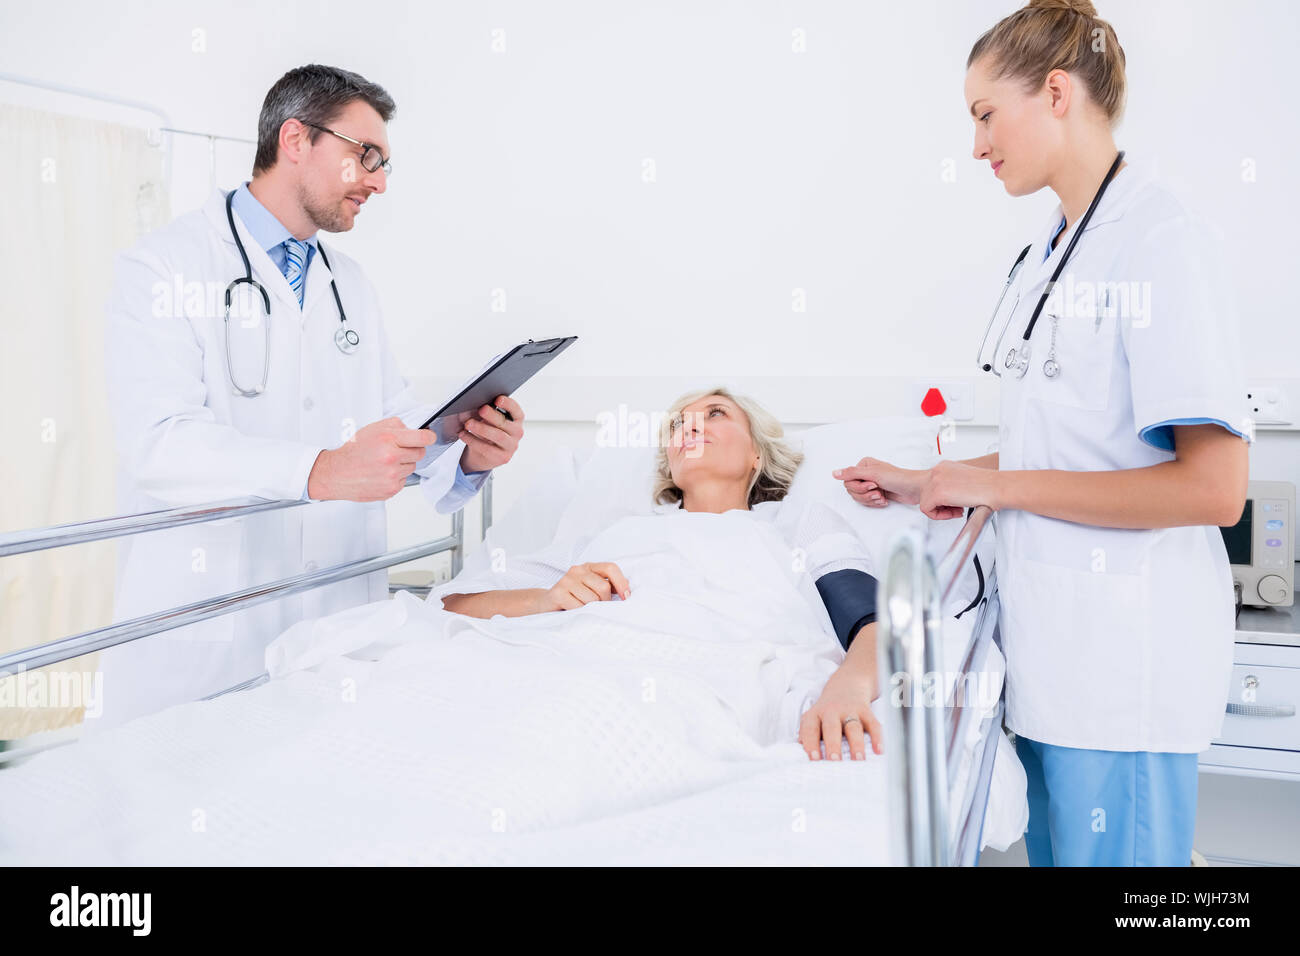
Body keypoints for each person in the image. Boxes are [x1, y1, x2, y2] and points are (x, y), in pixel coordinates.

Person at [835, 0, 1250, 866]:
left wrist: (996, 485)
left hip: (1123, 678)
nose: (977, 145)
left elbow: (1213, 489)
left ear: (1056, 92)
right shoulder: (1051, 255)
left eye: (986, 115)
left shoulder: (1160, 243)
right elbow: (1066, 452)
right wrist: (927, 482)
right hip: (1051, 667)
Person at [98, 65, 525, 728]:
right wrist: (319, 471)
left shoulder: (349, 284)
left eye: (385, 163)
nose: (380, 181)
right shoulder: (165, 265)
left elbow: (389, 426)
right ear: (295, 139)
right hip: (206, 639)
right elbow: (160, 443)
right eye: (367, 156)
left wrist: (463, 450)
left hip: (331, 638)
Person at [440, 388, 887, 760]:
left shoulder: (794, 523)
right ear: (670, 465)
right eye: (677, 424)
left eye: (715, 414)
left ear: (756, 454)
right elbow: (451, 605)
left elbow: (872, 622)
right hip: (579, 669)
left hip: (713, 685)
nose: (689, 427)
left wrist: (847, 688)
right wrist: (544, 599)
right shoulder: (616, 536)